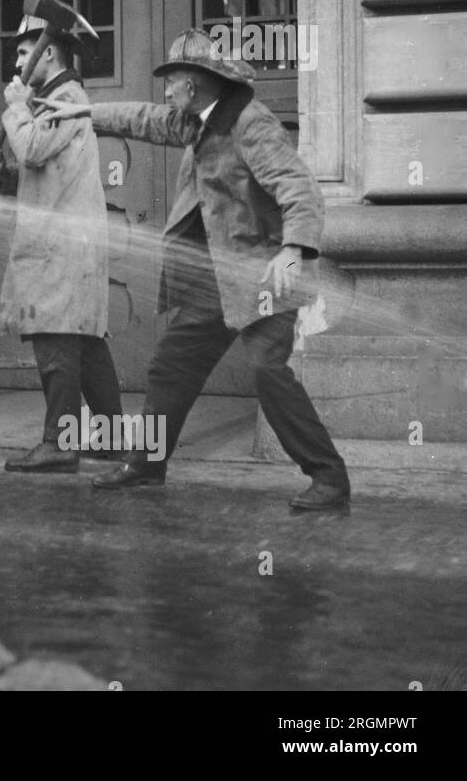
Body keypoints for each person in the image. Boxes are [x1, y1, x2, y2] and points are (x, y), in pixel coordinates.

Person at [47, 28, 351, 510]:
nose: (167, 91)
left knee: (267, 372)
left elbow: (301, 189)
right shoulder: (198, 121)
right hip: (216, 278)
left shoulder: (250, 123)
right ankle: (147, 464)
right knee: (173, 365)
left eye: (173, 81)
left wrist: (293, 251)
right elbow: (146, 119)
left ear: (195, 82)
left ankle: (330, 479)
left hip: (263, 276)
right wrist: (85, 112)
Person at [0, 16, 125, 472]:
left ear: (48, 53)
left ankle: (59, 444)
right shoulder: (55, 101)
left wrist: (16, 107)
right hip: (66, 242)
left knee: (54, 339)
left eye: (23, 53)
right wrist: (1, 175)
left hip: (62, 246)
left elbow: (34, 148)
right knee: (86, 342)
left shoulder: (66, 99)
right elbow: (40, 171)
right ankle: (115, 439)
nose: (16, 63)